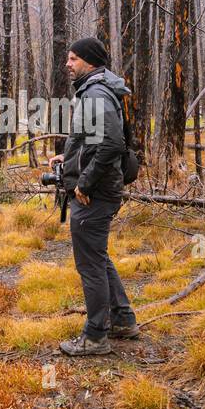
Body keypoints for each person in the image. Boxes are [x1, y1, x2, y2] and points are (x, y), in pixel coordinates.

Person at [48, 36, 139, 356]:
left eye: (73, 59)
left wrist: (83, 184)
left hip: (95, 193)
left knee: (90, 265)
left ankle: (95, 336)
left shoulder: (96, 93)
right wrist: (68, 159)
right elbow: (92, 139)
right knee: (97, 257)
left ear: (90, 61)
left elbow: (111, 144)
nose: (68, 64)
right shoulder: (94, 90)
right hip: (100, 189)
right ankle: (123, 319)